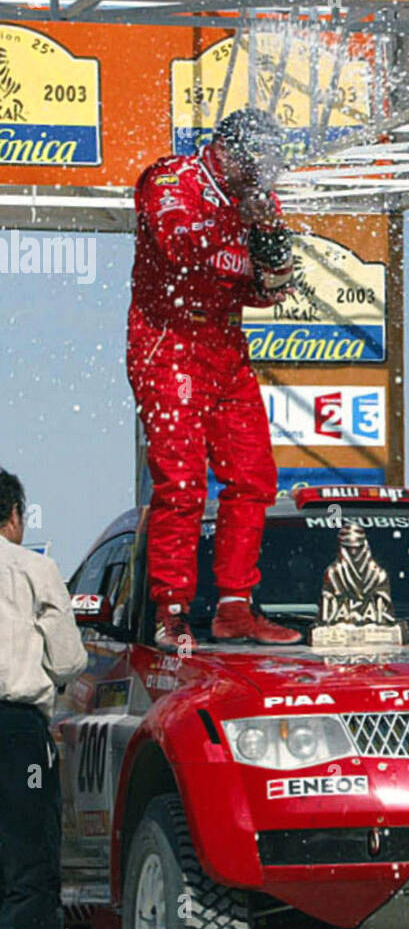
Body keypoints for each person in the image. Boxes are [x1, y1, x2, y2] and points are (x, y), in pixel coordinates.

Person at [128, 108, 302, 648]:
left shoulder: (259, 198)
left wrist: (275, 281)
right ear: (224, 151)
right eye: (255, 162)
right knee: (180, 482)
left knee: (254, 477)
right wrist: (252, 264)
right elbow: (179, 246)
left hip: (226, 345)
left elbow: (262, 285)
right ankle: (171, 610)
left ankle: (235, 608)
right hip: (168, 341)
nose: (262, 176)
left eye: (269, 166)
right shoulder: (171, 179)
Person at [0, 470, 87, 929]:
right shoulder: (33, 568)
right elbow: (69, 659)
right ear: (14, 517)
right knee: (26, 876)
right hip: (15, 735)